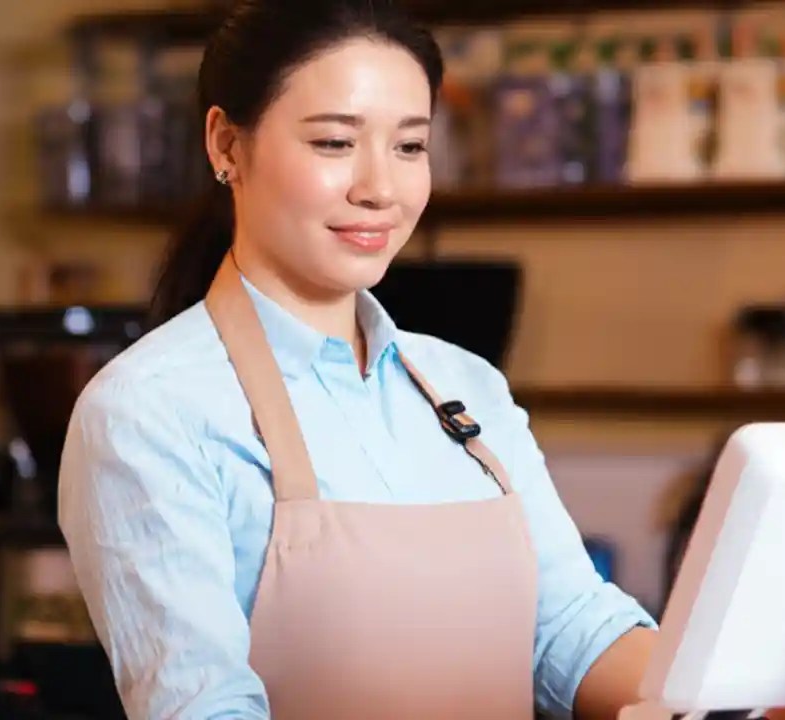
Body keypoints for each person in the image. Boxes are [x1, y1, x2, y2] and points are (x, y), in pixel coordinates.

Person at [58, 1, 659, 718]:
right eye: (335, 143)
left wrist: (719, 694)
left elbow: (570, 631)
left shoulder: (467, 387)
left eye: (409, 147)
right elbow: (203, 706)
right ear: (226, 145)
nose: (380, 188)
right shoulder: (150, 410)